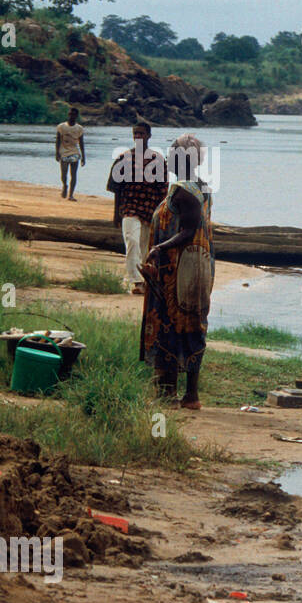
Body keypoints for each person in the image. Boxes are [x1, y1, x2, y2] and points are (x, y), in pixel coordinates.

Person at [139, 180, 213, 409]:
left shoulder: (185, 192)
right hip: (190, 267)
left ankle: (172, 394)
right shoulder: (199, 189)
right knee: (190, 326)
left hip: (181, 273)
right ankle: (188, 395)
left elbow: (188, 232)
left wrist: (159, 248)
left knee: (173, 325)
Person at [109, 121, 168, 295]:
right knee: (132, 242)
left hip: (150, 209)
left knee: (145, 247)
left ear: (149, 136)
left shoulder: (157, 159)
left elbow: (163, 191)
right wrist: (116, 214)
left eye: (141, 134)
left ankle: (146, 280)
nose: (138, 137)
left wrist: (161, 215)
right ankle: (136, 281)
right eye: (136, 134)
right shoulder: (124, 158)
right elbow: (117, 189)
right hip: (129, 207)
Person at [55, 107, 86, 200]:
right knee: (63, 174)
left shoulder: (79, 128)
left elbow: (81, 142)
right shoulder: (61, 127)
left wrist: (83, 157)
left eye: (73, 115)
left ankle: (71, 194)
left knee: (74, 174)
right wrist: (57, 153)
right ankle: (65, 185)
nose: (71, 116)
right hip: (64, 152)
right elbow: (57, 140)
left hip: (74, 153)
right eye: (70, 114)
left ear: (76, 116)